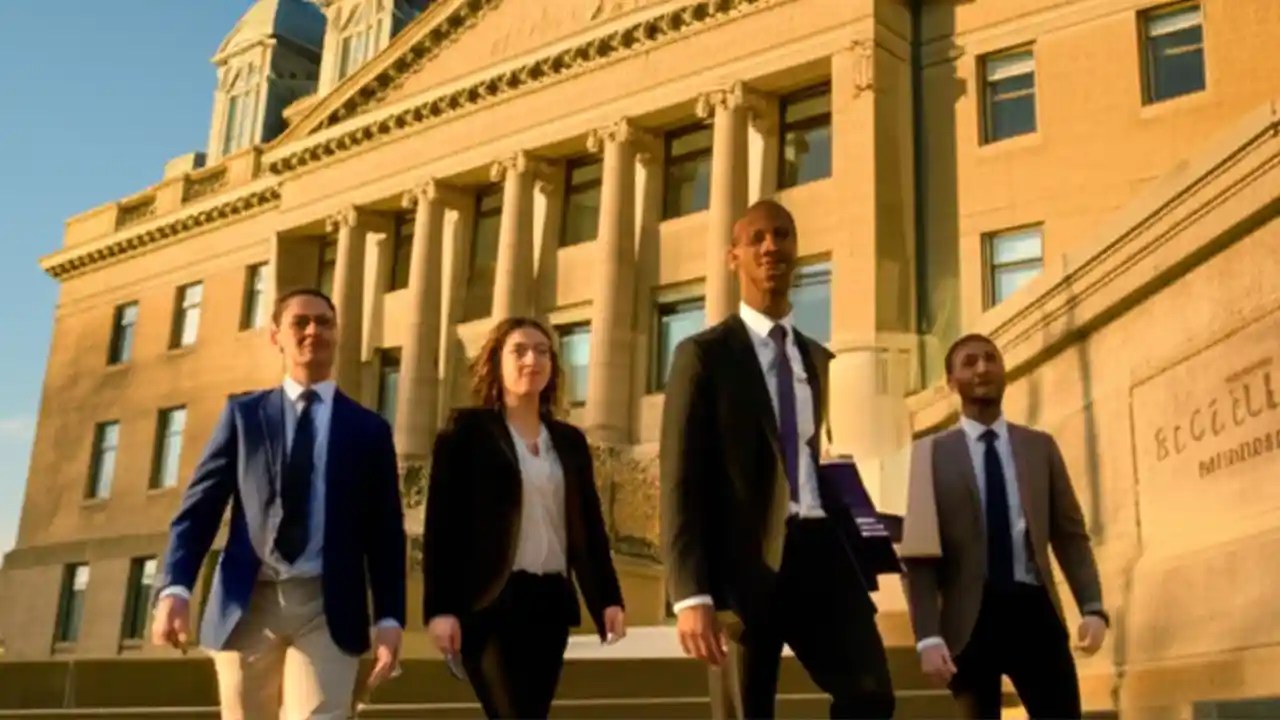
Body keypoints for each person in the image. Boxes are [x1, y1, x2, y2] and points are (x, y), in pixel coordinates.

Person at [660, 199, 896, 719]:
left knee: (871, 695)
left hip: (819, 551)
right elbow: (680, 479)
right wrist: (689, 592)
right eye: (758, 238)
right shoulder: (703, 355)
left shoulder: (816, 358)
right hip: (742, 563)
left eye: (783, 235)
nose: (772, 247)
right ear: (734, 257)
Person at [150, 288, 406, 720]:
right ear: (276, 336)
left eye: (324, 322)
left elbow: (385, 533)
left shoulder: (368, 430)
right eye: (300, 322)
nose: (313, 331)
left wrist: (389, 617)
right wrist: (175, 587)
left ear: (337, 333)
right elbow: (199, 510)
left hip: (327, 605)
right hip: (248, 601)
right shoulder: (244, 416)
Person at [421, 316, 626, 719]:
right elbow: (441, 530)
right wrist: (440, 610)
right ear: (496, 363)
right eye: (519, 351)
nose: (532, 359)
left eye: (542, 351)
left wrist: (607, 599)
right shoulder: (466, 434)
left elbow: (589, 526)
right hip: (491, 602)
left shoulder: (569, 441)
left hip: (550, 602)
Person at [899, 333, 1108, 719]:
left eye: (990, 358)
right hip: (968, 621)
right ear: (951, 383)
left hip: (1035, 612)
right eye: (969, 362)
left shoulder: (1039, 447)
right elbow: (919, 556)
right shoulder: (929, 454)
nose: (982, 368)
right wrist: (927, 635)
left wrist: (1092, 607)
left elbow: (1070, 536)